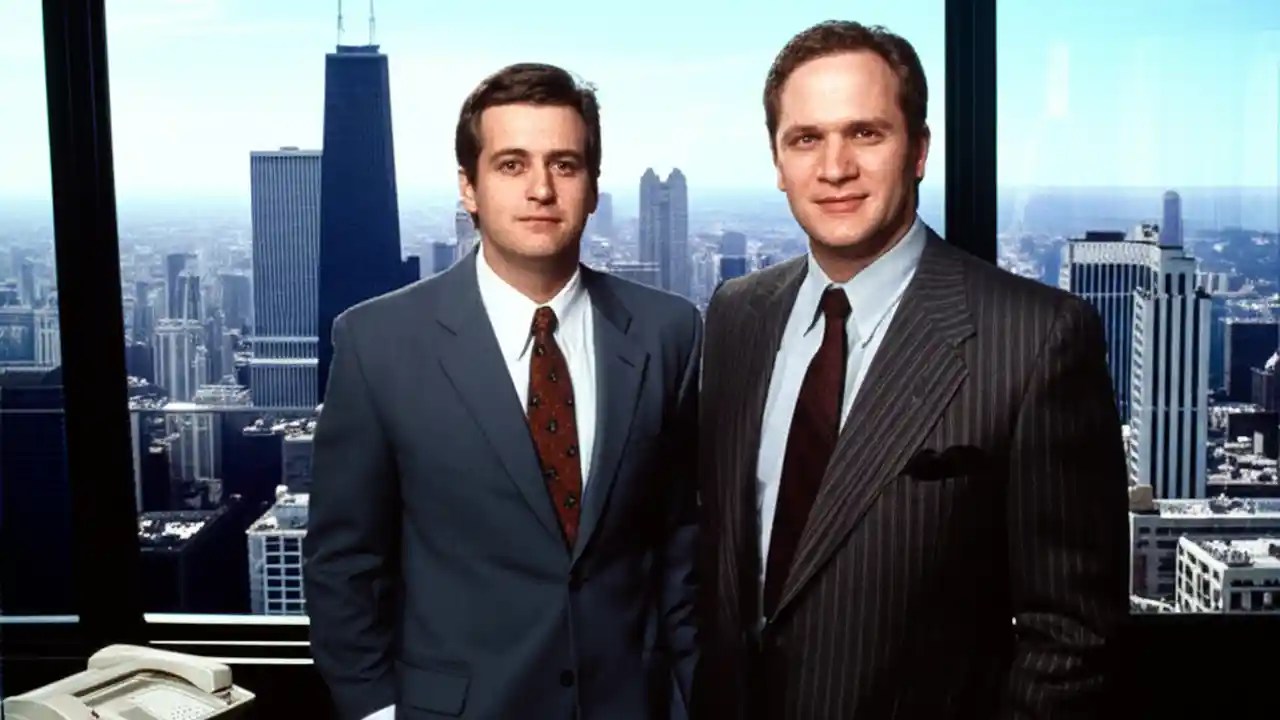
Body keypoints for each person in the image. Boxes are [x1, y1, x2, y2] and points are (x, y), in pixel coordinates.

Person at [694, 20, 1128, 719]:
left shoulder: (1036, 338)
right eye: (805, 139)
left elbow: (1072, 638)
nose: (834, 167)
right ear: (777, 162)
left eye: (865, 133)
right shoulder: (736, 315)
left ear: (919, 150)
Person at [304, 62, 701, 720]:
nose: (541, 189)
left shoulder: (670, 331)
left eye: (565, 165)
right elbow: (343, 563)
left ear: (592, 187)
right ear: (469, 186)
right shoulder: (378, 343)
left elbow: (682, 547)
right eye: (512, 165)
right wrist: (377, 712)